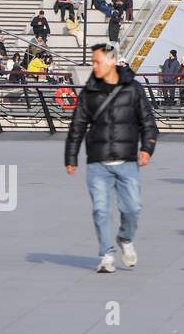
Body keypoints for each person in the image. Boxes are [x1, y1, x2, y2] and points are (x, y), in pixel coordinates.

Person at [63, 44, 159, 273]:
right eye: (93, 62)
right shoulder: (89, 91)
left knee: (133, 208)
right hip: (98, 162)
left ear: (111, 61)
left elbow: (148, 122)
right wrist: (71, 157)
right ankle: (106, 254)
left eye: (97, 62)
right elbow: (77, 125)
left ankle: (125, 238)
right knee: (101, 209)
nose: (94, 66)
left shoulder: (133, 89)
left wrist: (147, 148)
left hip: (127, 161)